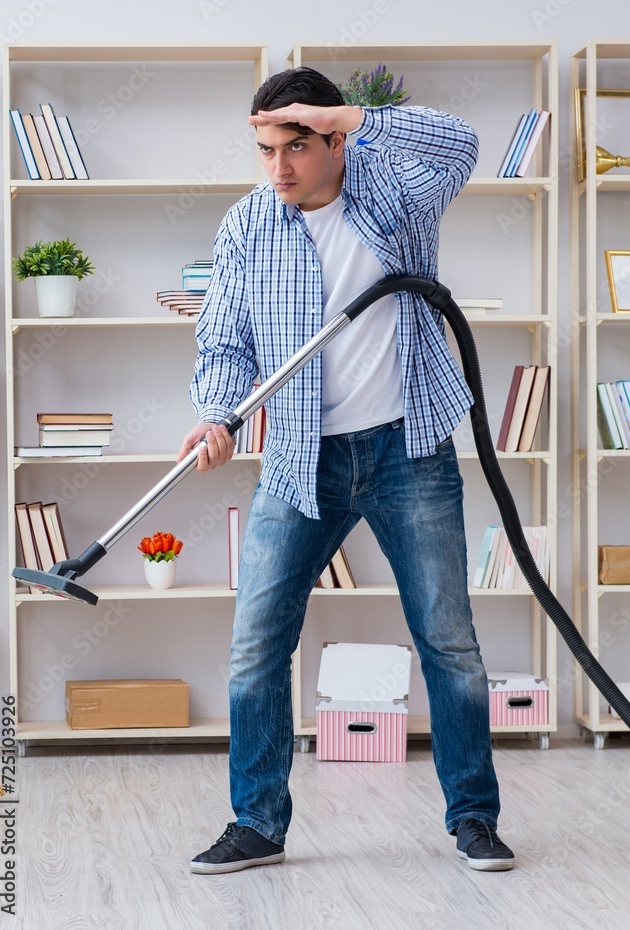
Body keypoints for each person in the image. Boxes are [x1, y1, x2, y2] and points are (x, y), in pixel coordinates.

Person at [180, 67, 514, 874]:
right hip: (302, 456)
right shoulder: (248, 225)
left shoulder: (397, 194)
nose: (279, 167)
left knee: (449, 641)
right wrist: (217, 413)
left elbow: (462, 143)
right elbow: (224, 340)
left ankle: (474, 818)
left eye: (296, 146)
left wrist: (353, 114)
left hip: (409, 448)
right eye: (266, 150)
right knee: (257, 645)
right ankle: (257, 824)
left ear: (334, 138)